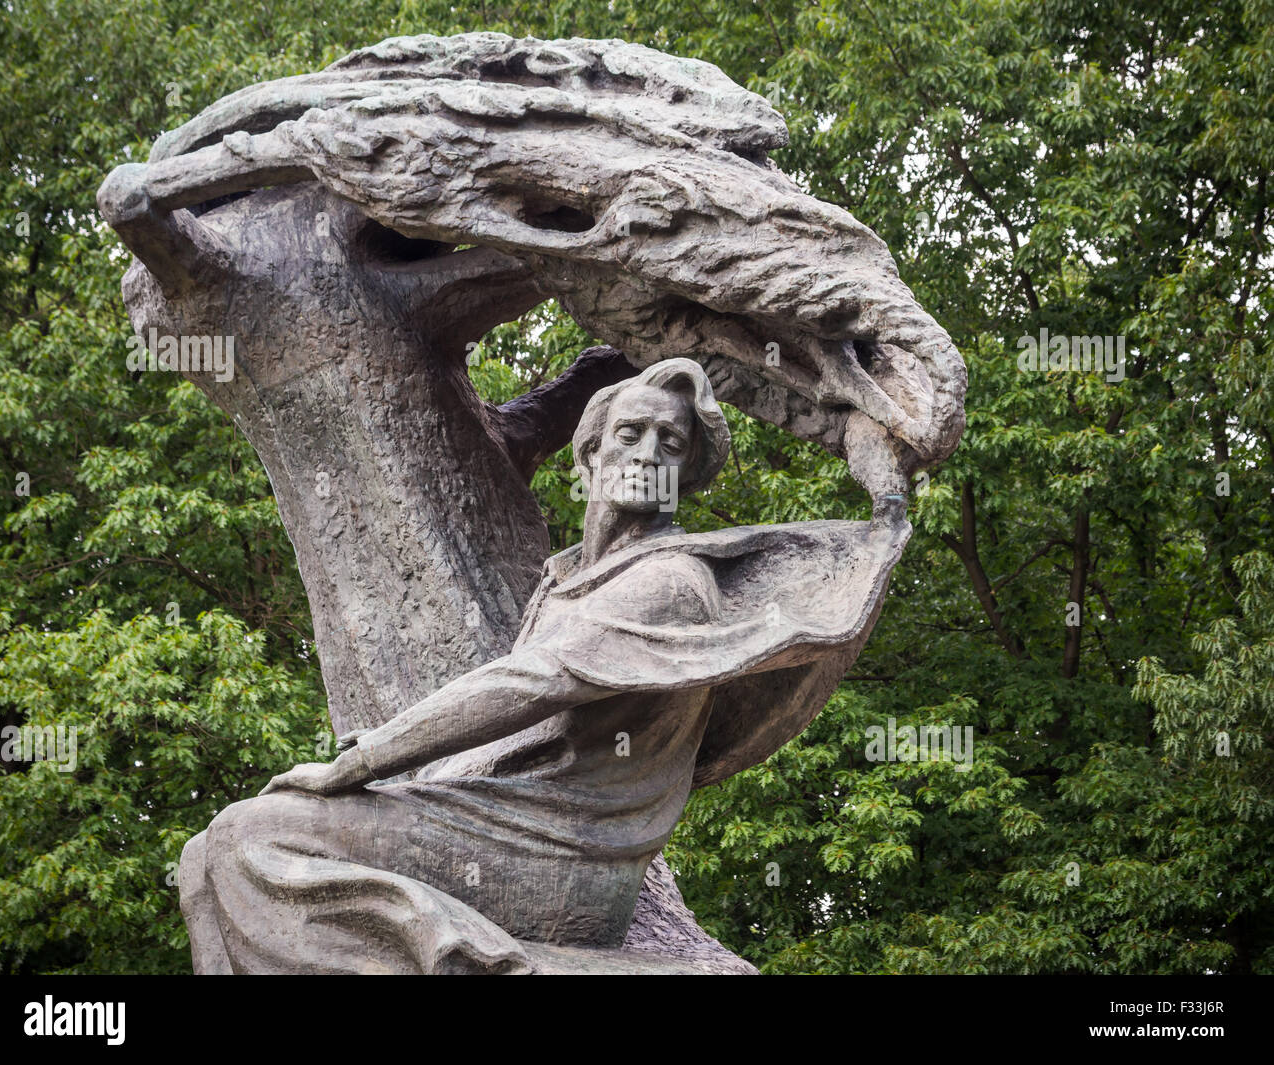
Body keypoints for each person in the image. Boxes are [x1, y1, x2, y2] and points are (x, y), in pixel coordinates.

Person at [179, 358, 910, 973]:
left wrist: (360, 762)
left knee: (254, 836)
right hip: (503, 816)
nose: (650, 453)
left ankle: (460, 954)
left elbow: (529, 684)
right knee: (200, 858)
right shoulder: (562, 579)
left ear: (686, 472)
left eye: (672, 443)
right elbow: (511, 731)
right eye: (632, 433)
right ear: (590, 454)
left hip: (566, 856)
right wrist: (408, 785)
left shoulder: (671, 583)